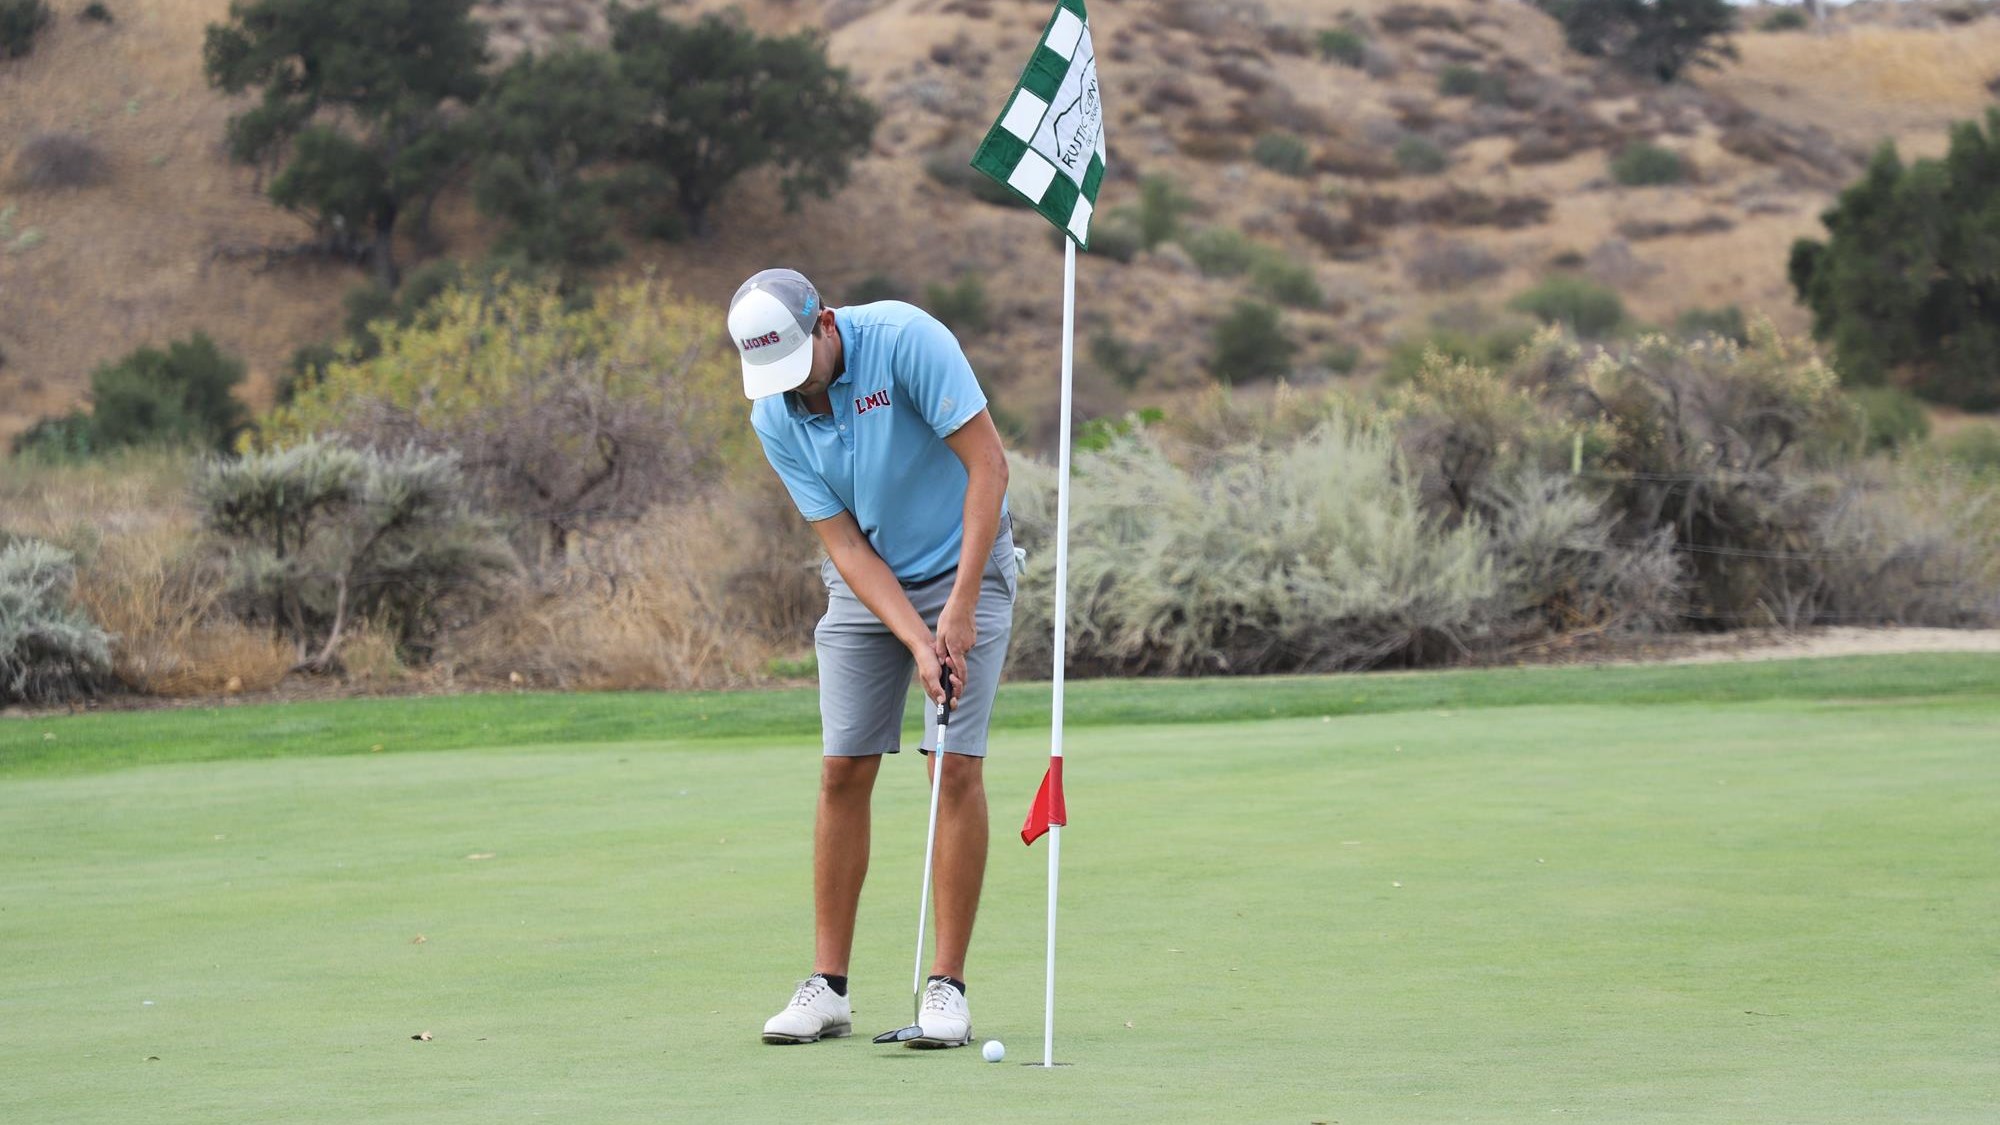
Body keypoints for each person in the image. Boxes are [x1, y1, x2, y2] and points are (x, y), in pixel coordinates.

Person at [728, 268, 1016, 1049]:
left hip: (966, 565)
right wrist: (917, 641)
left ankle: (946, 987)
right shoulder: (772, 413)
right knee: (842, 767)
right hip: (871, 579)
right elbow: (844, 544)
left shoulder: (906, 340)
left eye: (801, 367)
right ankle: (829, 988)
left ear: (824, 324)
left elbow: (989, 465)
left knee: (950, 764)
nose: (794, 390)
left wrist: (954, 614)